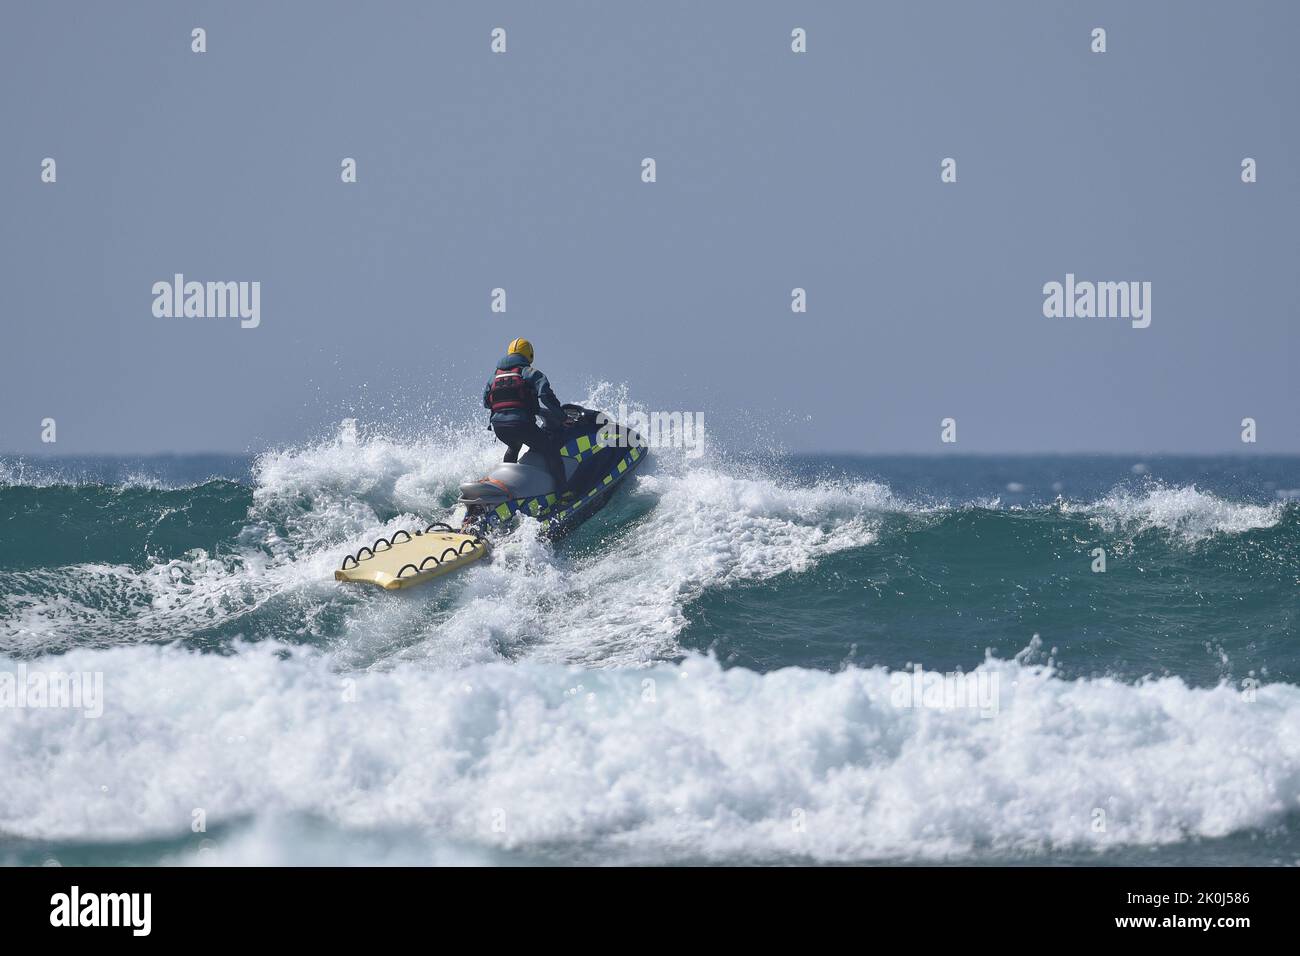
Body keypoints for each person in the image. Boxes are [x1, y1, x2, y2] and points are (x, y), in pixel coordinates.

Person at [483, 338, 570, 495]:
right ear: (530, 355)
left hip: (500, 428)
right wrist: (563, 417)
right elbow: (545, 396)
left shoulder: (494, 376)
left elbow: (486, 402)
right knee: (551, 450)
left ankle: (504, 486)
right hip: (521, 426)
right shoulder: (530, 373)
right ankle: (563, 493)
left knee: (514, 446)